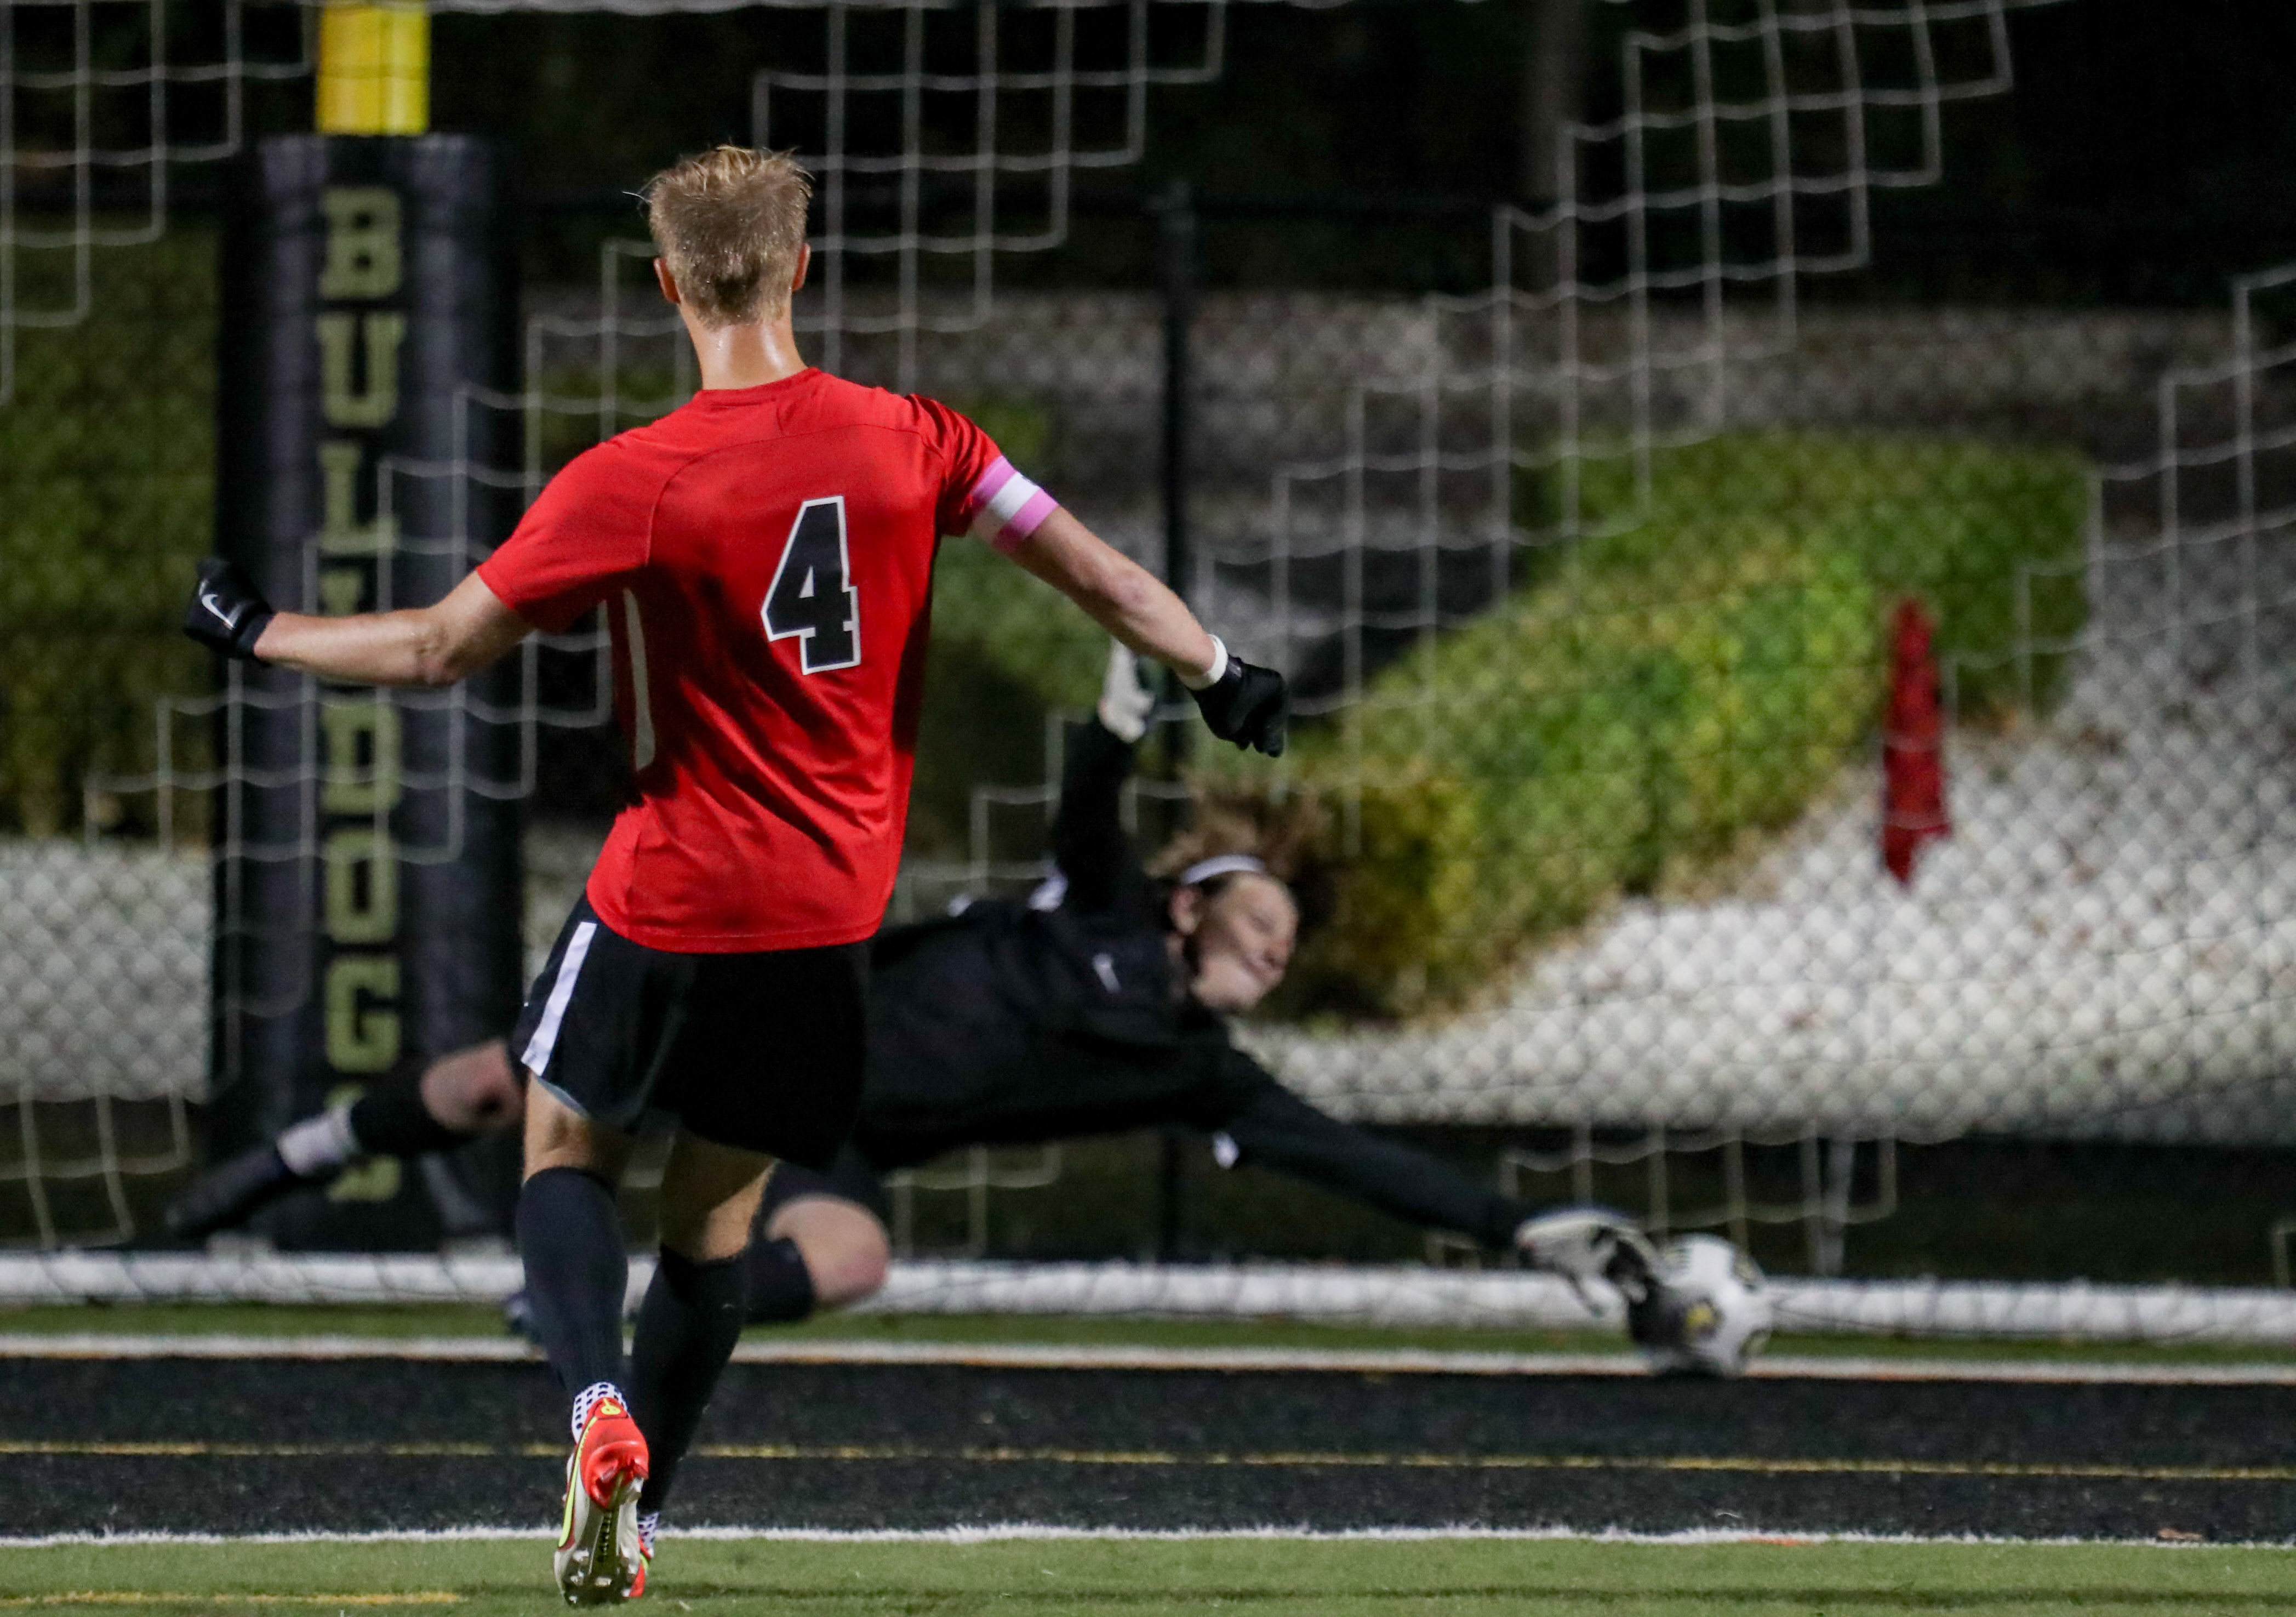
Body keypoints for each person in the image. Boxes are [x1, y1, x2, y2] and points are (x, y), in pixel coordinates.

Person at [181, 146, 1285, 1607]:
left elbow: (440, 647)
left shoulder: (635, 479)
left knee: (564, 1154)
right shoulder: (923, 440)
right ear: (800, 269)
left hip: (664, 901)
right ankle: (637, 1519)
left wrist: (261, 631)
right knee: (709, 1237)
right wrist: (1219, 672)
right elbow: (1106, 582)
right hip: (823, 930)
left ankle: (590, 1408)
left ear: (666, 287)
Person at [175, 643, 1663, 1342]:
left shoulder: (1195, 1073)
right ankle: (244, 1187)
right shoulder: (1094, 906)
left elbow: (1352, 1156)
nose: (1276, 952)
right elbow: (1091, 806)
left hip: (833, 1132)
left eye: (1287, 951)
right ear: (1190, 904)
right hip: (760, 1016)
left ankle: (604, 1319)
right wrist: (1124, 710)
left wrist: (1514, 1224)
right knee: (506, 1081)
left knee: (856, 1257)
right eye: (1261, 922)